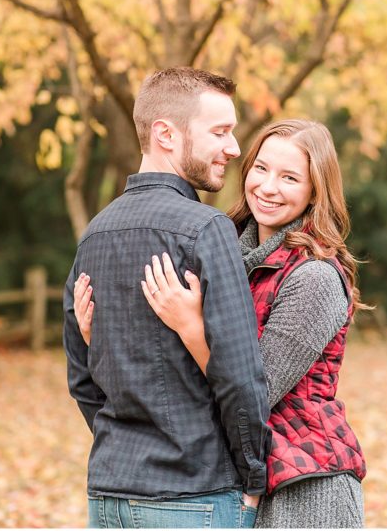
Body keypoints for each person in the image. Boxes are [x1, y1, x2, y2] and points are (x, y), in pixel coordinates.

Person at [75, 119, 367, 528]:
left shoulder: (313, 277)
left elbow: (256, 387)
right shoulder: (223, 248)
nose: (267, 187)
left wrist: (191, 327)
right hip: (238, 476)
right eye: (261, 169)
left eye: (289, 178)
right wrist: (99, 337)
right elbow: (176, 370)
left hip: (303, 483)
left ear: (316, 190)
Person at [63, 67, 272, 529]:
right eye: (220, 131)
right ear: (165, 135)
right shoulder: (206, 228)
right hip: (195, 495)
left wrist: (123, 451)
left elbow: (81, 377)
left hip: (109, 498)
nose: (234, 148)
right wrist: (254, 479)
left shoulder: (92, 236)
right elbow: (240, 376)